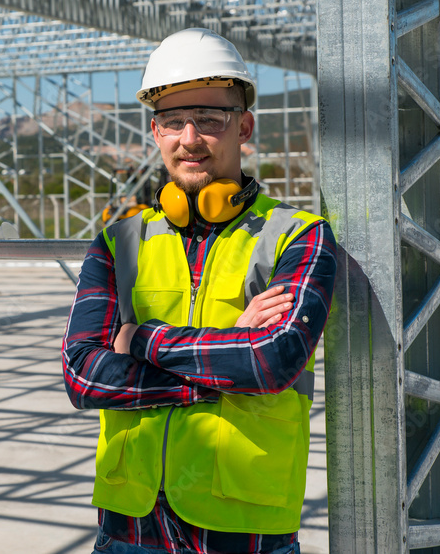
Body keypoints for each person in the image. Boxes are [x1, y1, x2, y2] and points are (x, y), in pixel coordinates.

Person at [62, 28, 337, 554]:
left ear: (245, 126)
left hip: (243, 532)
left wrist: (139, 339)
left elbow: (270, 362)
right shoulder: (120, 240)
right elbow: (81, 375)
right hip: (127, 530)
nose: (190, 138)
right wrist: (212, 371)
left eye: (210, 120)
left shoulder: (297, 234)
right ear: (155, 131)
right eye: (173, 121)